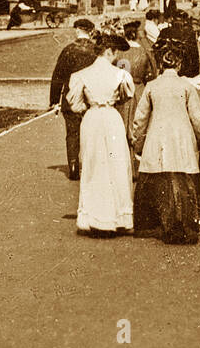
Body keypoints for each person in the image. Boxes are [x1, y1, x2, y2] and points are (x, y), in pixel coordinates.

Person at [131, 38, 200, 243]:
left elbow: (140, 120)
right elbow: (198, 119)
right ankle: (183, 223)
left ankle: (155, 223)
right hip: (182, 139)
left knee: (157, 179)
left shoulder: (151, 86)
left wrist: (137, 144)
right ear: (179, 64)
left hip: (157, 139)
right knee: (183, 182)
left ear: (162, 65)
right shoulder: (187, 87)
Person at [67, 33, 136, 235]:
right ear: (109, 51)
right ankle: (119, 217)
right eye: (115, 53)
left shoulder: (82, 75)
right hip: (112, 119)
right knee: (116, 164)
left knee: (93, 164)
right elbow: (126, 96)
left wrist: (90, 105)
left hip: (92, 119)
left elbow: (76, 104)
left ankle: (93, 217)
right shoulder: (120, 75)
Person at [49, 19, 97, 180]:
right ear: (91, 31)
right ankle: (91, 168)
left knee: (72, 134)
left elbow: (57, 77)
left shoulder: (68, 50)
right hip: (92, 98)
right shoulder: (96, 50)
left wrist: (54, 101)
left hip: (71, 99)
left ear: (77, 31)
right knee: (92, 133)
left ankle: (74, 167)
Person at [118, 20, 156, 140]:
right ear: (136, 34)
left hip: (123, 93)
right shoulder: (144, 52)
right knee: (140, 125)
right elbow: (151, 75)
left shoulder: (119, 52)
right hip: (139, 90)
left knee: (122, 125)